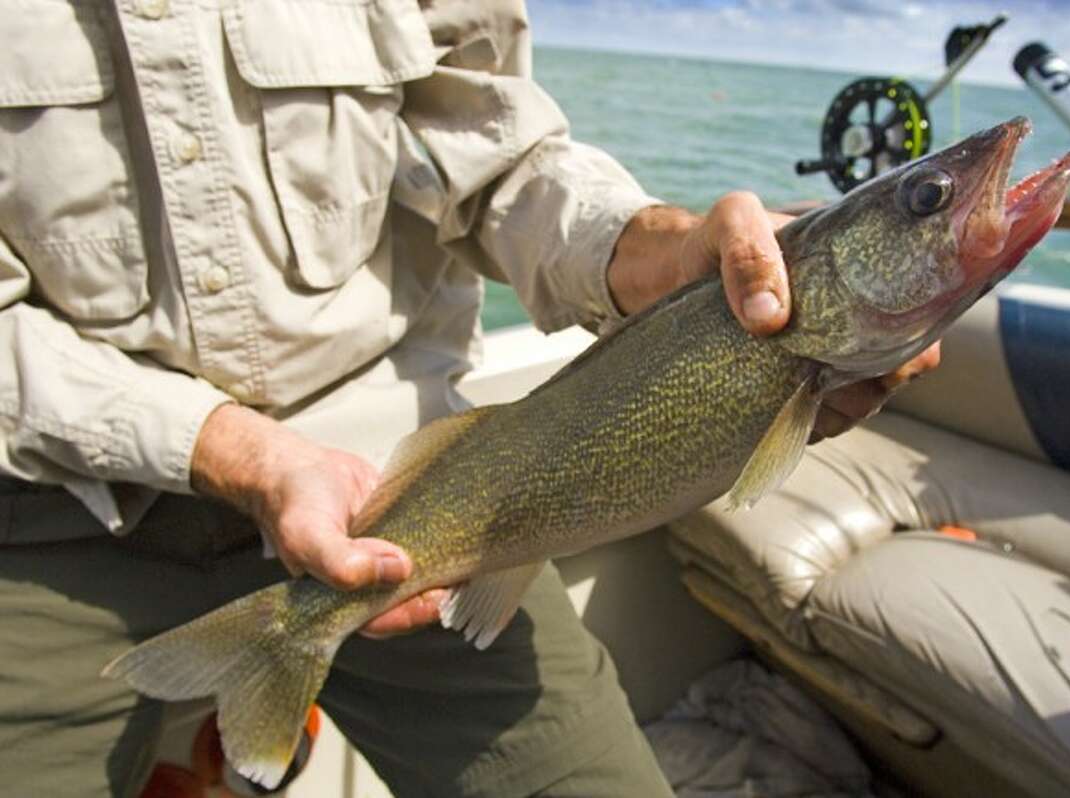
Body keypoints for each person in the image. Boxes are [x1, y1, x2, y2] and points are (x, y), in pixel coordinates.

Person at [0, 2, 938, 796]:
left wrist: (646, 245)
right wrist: (236, 452)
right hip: (60, 515)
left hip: (395, 501)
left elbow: (501, 162)